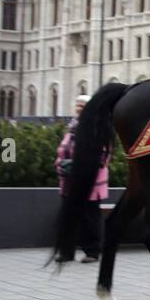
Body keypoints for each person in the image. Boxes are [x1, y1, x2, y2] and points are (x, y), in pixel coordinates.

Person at [55, 94, 105, 263]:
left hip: (90, 180)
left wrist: (80, 165)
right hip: (70, 179)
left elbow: (103, 155)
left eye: (82, 106)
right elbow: (63, 148)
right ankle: (66, 251)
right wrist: (61, 164)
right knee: (68, 215)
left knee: (89, 217)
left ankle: (92, 251)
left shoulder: (98, 126)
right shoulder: (73, 126)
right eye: (77, 105)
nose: (78, 108)